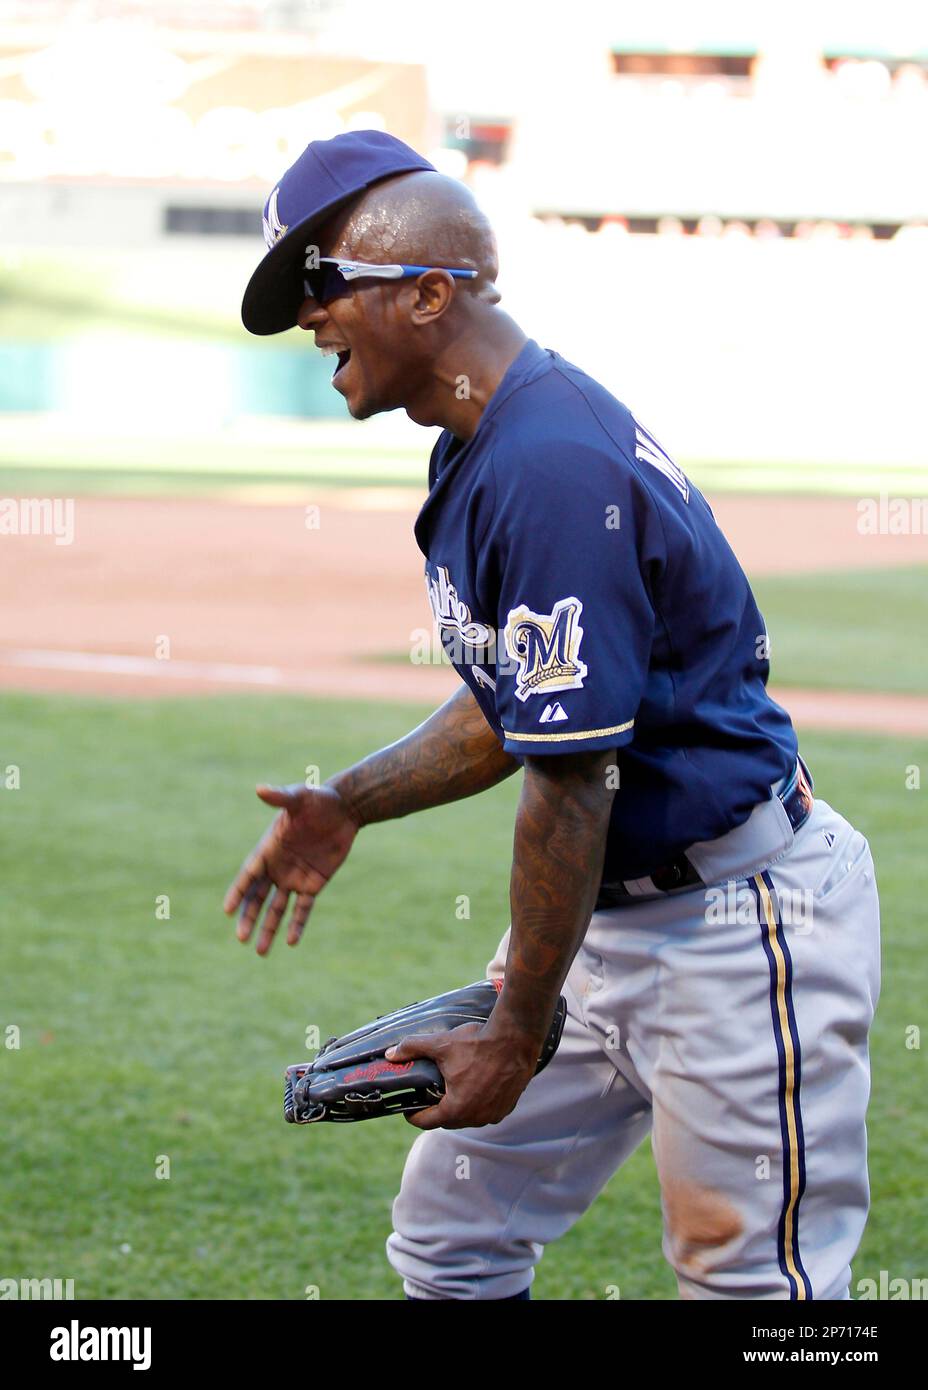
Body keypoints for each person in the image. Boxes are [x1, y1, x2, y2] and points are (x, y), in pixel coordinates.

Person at [226, 131, 881, 1300]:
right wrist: (351, 802)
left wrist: (516, 1028)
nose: (309, 317)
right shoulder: (482, 442)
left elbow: (574, 775)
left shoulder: (549, 465)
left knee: (754, 1286)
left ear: (431, 294)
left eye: (324, 280)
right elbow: (516, 703)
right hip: (601, 927)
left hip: (736, 929)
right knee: (452, 1235)